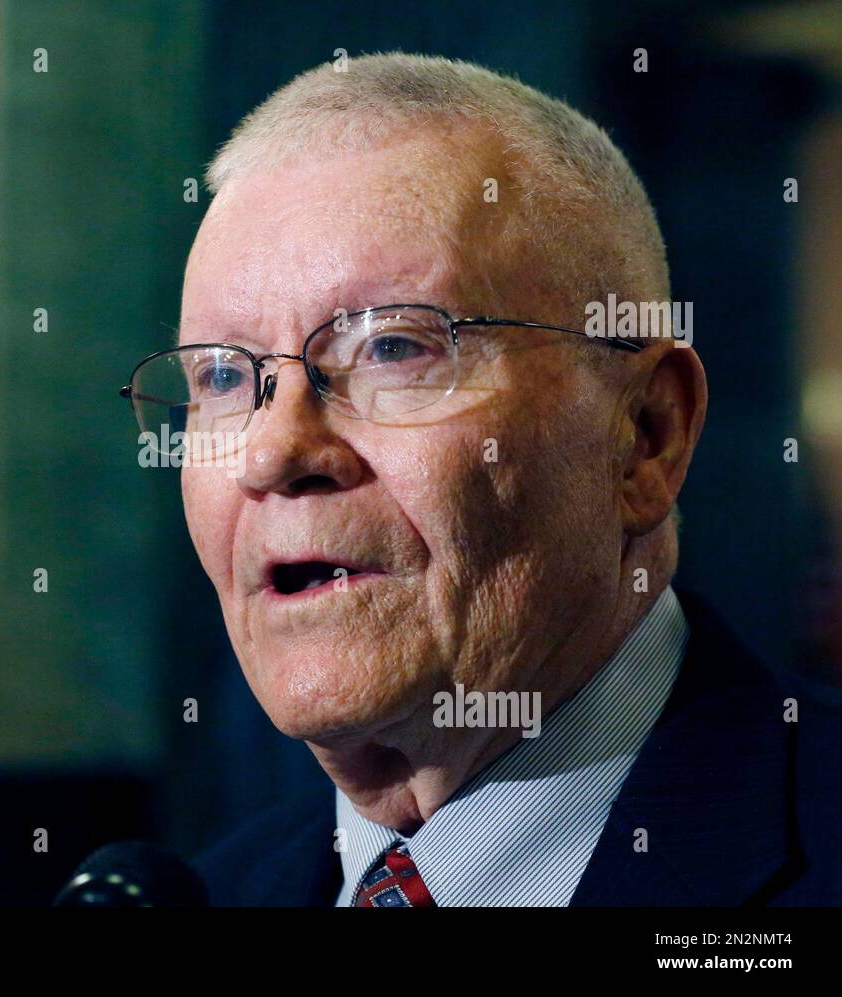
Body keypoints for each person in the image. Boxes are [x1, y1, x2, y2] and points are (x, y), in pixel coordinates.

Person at [121, 53, 840, 905]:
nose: (272, 452)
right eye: (223, 377)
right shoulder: (217, 891)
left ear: (646, 435)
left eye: (392, 347)